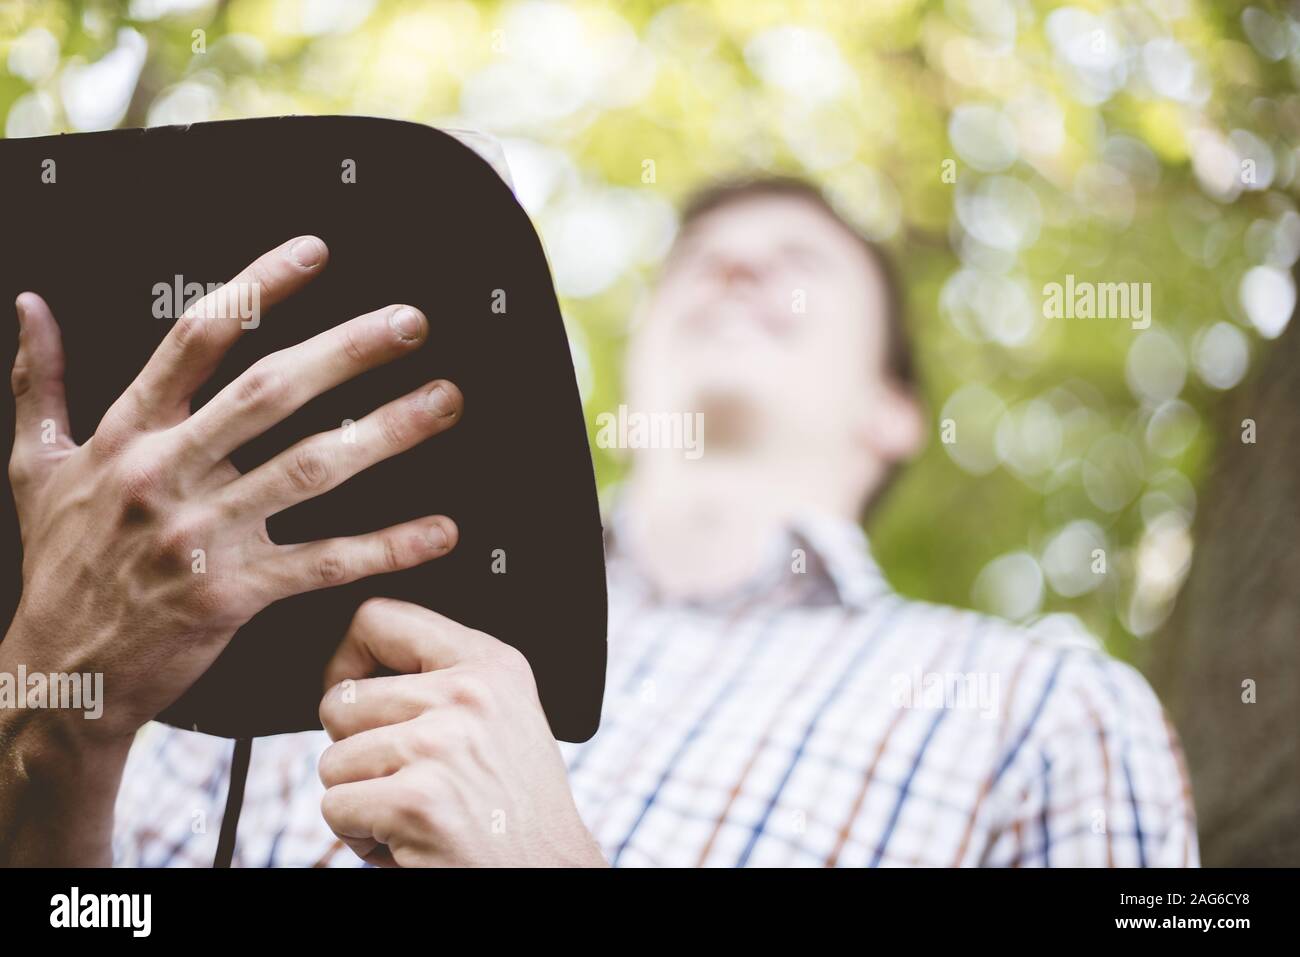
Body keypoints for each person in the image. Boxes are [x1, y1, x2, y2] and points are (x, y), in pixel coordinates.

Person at [0, 178, 1196, 867]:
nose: (732, 274)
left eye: (793, 264)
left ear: (893, 411)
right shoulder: (269, 637)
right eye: (703, 261)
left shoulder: (1045, 708)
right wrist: (54, 709)